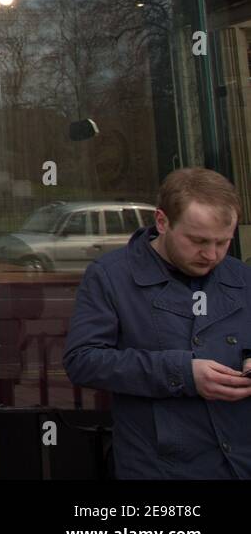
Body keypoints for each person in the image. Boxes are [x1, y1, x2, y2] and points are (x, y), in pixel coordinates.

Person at [63, 167, 251, 478]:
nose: (211, 254)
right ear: (162, 222)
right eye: (198, 240)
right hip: (161, 466)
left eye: (223, 242)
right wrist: (182, 373)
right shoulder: (111, 276)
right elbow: (82, 361)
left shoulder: (241, 276)